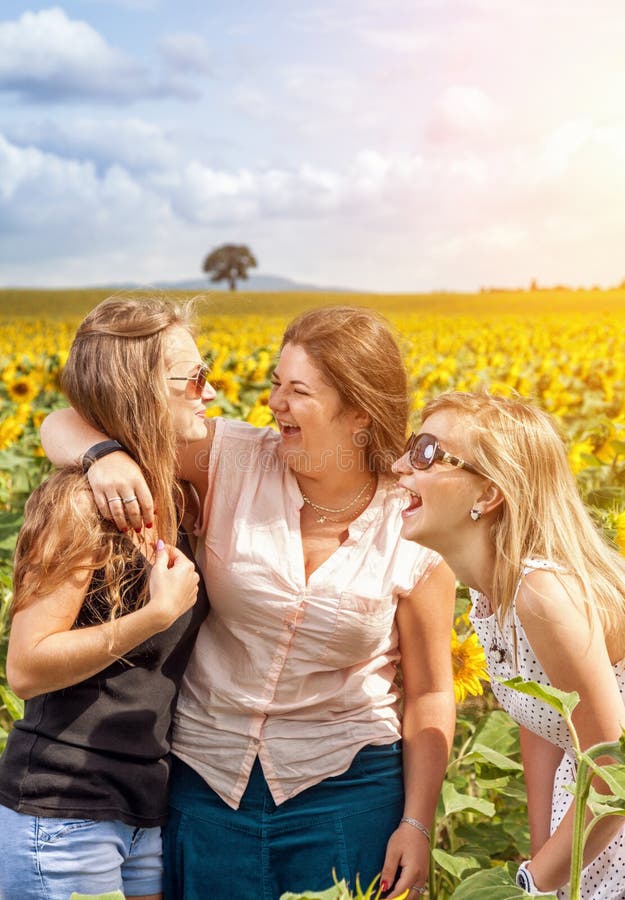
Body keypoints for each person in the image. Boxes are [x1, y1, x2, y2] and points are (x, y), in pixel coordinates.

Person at [40, 305, 457, 900]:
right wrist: (102, 456)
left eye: (298, 391)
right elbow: (61, 421)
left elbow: (431, 692)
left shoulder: (411, 523)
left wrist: (417, 823)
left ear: (360, 411)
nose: (274, 404)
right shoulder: (232, 459)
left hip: (346, 788)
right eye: (274, 384)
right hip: (206, 781)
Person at [0, 297, 214, 900]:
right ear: (141, 387)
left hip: (140, 810)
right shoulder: (79, 505)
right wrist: (155, 616)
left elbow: (56, 422)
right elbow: (25, 667)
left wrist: (101, 449)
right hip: (64, 810)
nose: (212, 390)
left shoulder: (173, 490)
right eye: (194, 377)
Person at [392, 390, 625, 899]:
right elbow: (543, 719)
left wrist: (532, 885)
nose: (398, 465)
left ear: (487, 495)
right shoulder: (489, 590)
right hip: (592, 819)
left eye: (427, 452)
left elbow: (616, 776)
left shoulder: (543, 594)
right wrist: (546, 864)